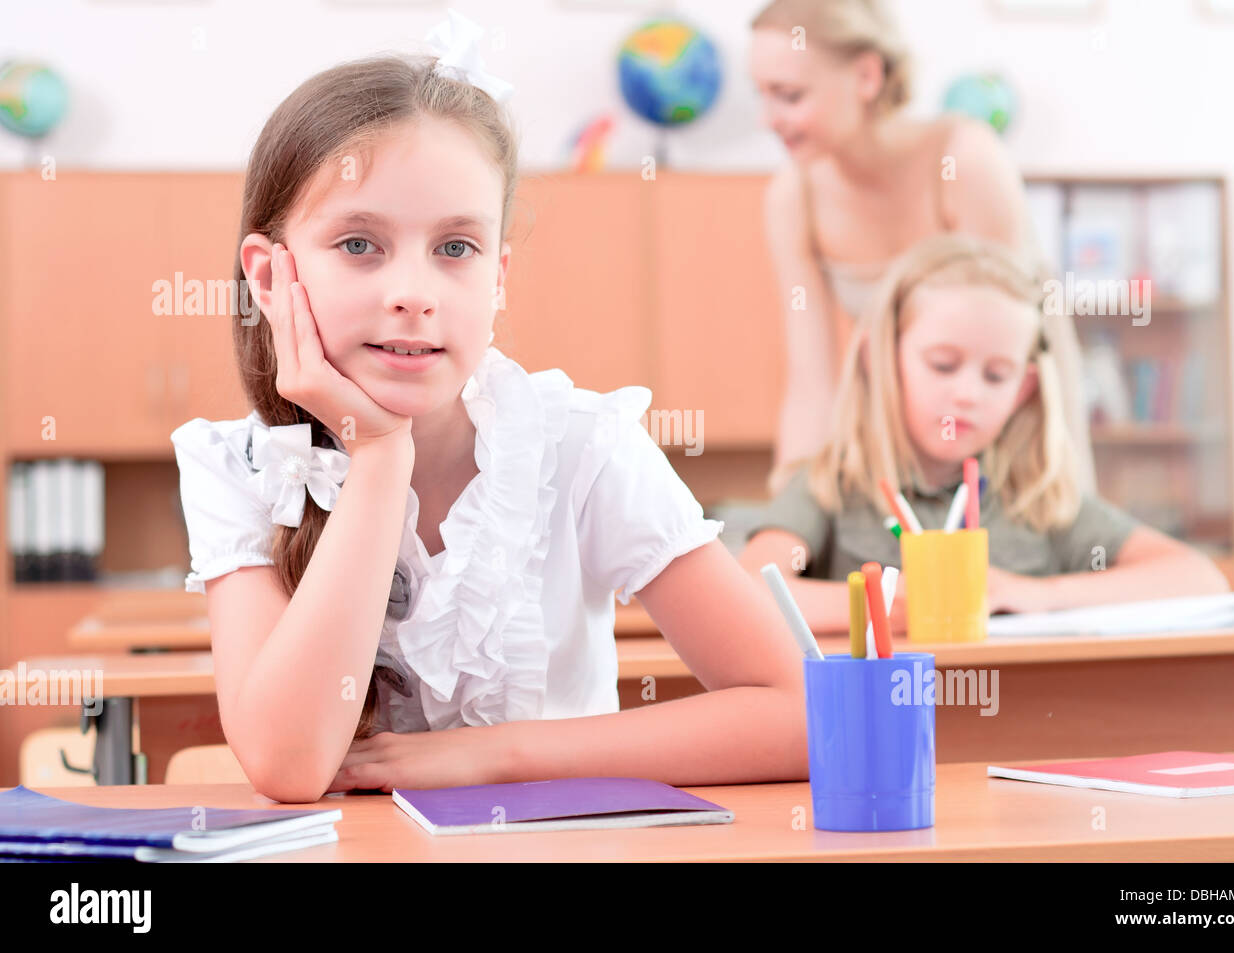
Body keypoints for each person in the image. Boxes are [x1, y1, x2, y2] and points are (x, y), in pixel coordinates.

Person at [171, 15, 805, 804]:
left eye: (455, 248)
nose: (413, 292)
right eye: (360, 244)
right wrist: (377, 461)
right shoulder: (236, 468)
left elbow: (798, 716)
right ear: (269, 278)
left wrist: (496, 755)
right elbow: (288, 764)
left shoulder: (581, 445)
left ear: (498, 277)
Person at [739, 235, 1228, 631]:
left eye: (996, 375)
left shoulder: (1036, 499)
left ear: (1023, 390)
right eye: (943, 364)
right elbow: (751, 591)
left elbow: (1198, 578)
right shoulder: (833, 484)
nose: (968, 394)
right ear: (881, 361)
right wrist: (890, 606)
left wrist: (1032, 595)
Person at [748, 0, 1095, 494]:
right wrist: (792, 507)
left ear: (867, 75)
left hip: (1012, 423)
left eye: (788, 95)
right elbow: (812, 386)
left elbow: (1000, 363)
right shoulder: (792, 197)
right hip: (907, 424)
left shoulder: (964, 161)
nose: (767, 119)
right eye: (760, 95)